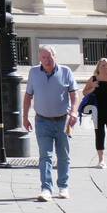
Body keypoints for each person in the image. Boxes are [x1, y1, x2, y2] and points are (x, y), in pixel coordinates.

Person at [23, 45, 78, 201]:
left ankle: (63, 187)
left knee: (63, 155)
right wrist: (25, 117)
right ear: (40, 58)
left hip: (63, 120)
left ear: (55, 56)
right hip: (42, 121)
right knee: (45, 156)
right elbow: (28, 96)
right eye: (43, 58)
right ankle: (46, 189)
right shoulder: (34, 72)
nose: (46, 61)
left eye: (49, 57)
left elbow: (75, 95)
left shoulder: (66, 72)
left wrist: (74, 112)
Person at [83, 57, 107, 170]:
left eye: (105, 65)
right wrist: (93, 87)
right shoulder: (93, 79)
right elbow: (84, 92)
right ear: (98, 67)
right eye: (101, 65)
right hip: (97, 112)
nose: (103, 66)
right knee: (99, 135)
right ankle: (101, 160)